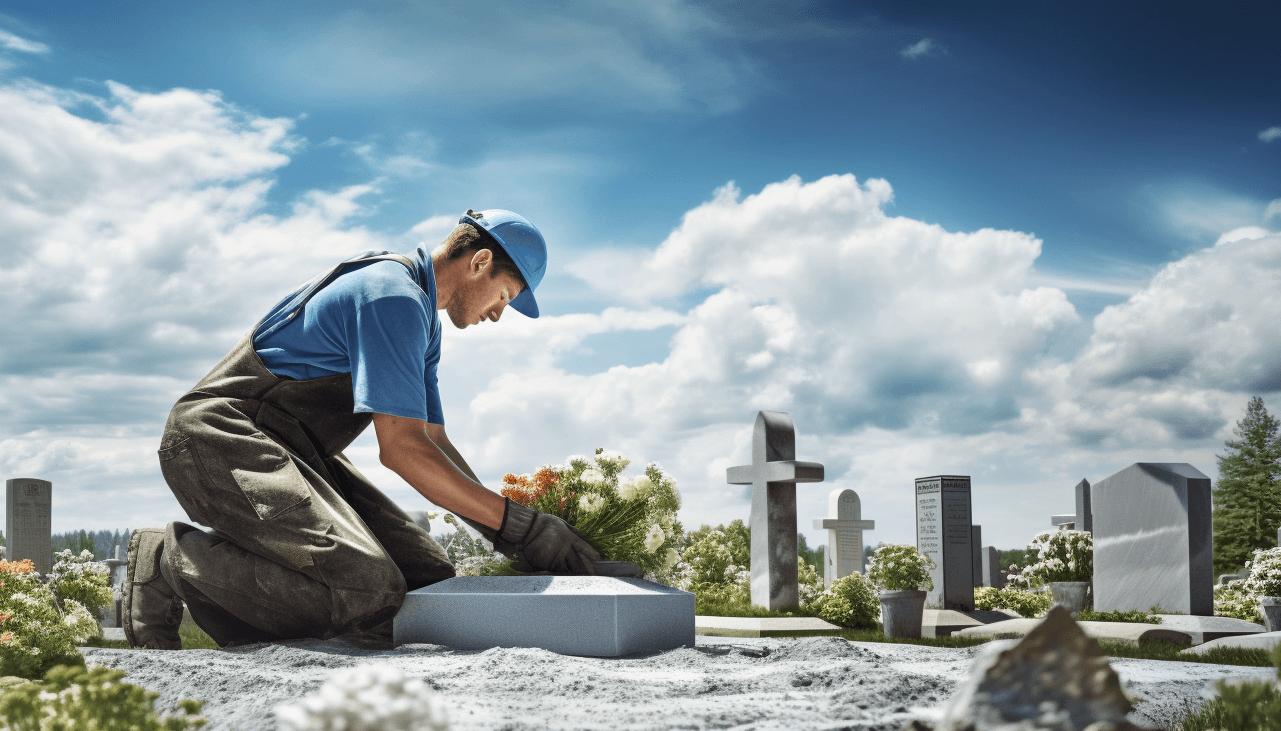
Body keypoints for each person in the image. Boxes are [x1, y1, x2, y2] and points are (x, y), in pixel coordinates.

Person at [125, 209, 602, 649]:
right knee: (367, 589)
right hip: (217, 438)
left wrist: (510, 532)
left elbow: (433, 442)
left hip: (291, 452)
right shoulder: (390, 296)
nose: (497, 314)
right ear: (480, 262)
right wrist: (522, 526)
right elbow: (402, 450)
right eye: (505, 297)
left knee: (426, 576)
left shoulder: (421, 320)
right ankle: (170, 558)